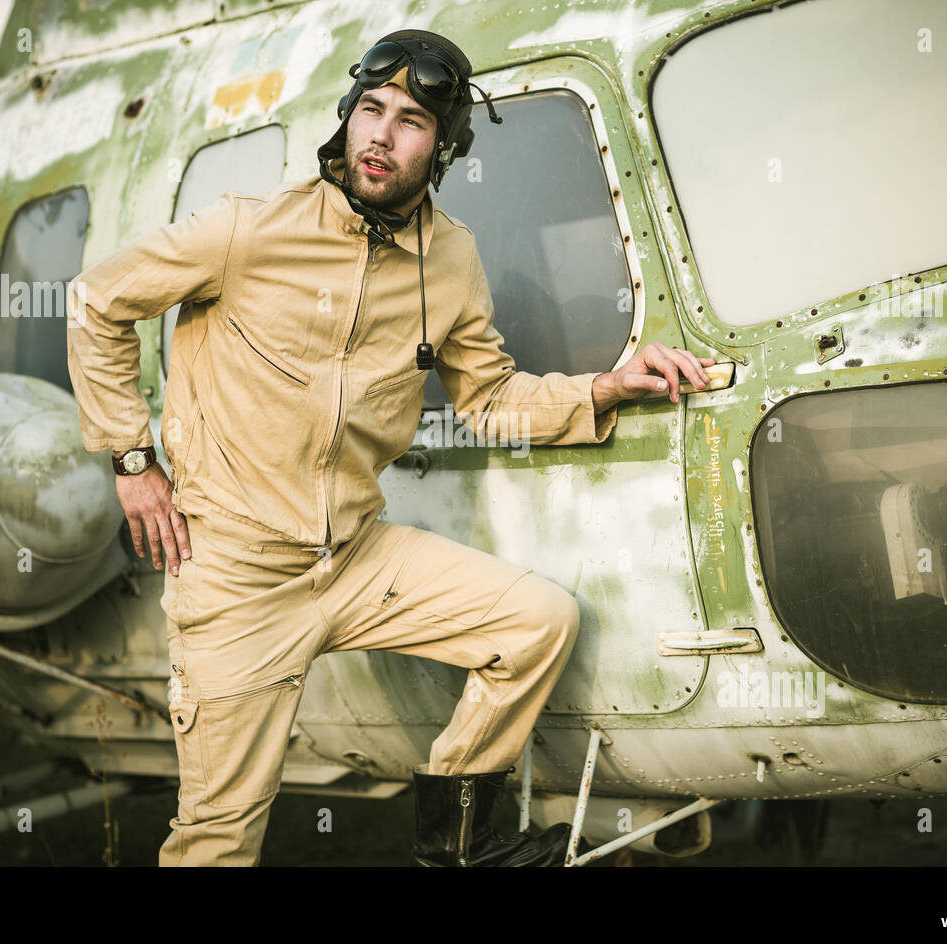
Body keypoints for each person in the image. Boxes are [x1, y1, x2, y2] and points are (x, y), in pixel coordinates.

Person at [67, 28, 716, 867]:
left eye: (410, 121)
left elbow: (489, 401)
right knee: (217, 841)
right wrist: (132, 462)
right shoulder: (244, 231)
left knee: (537, 623)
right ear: (345, 118)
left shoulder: (452, 260)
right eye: (370, 110)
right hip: (236, 574)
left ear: (443, 146)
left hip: (357, 557)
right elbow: (96, 302)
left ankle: (456, 842)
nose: (380, 135)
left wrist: (603, 388)